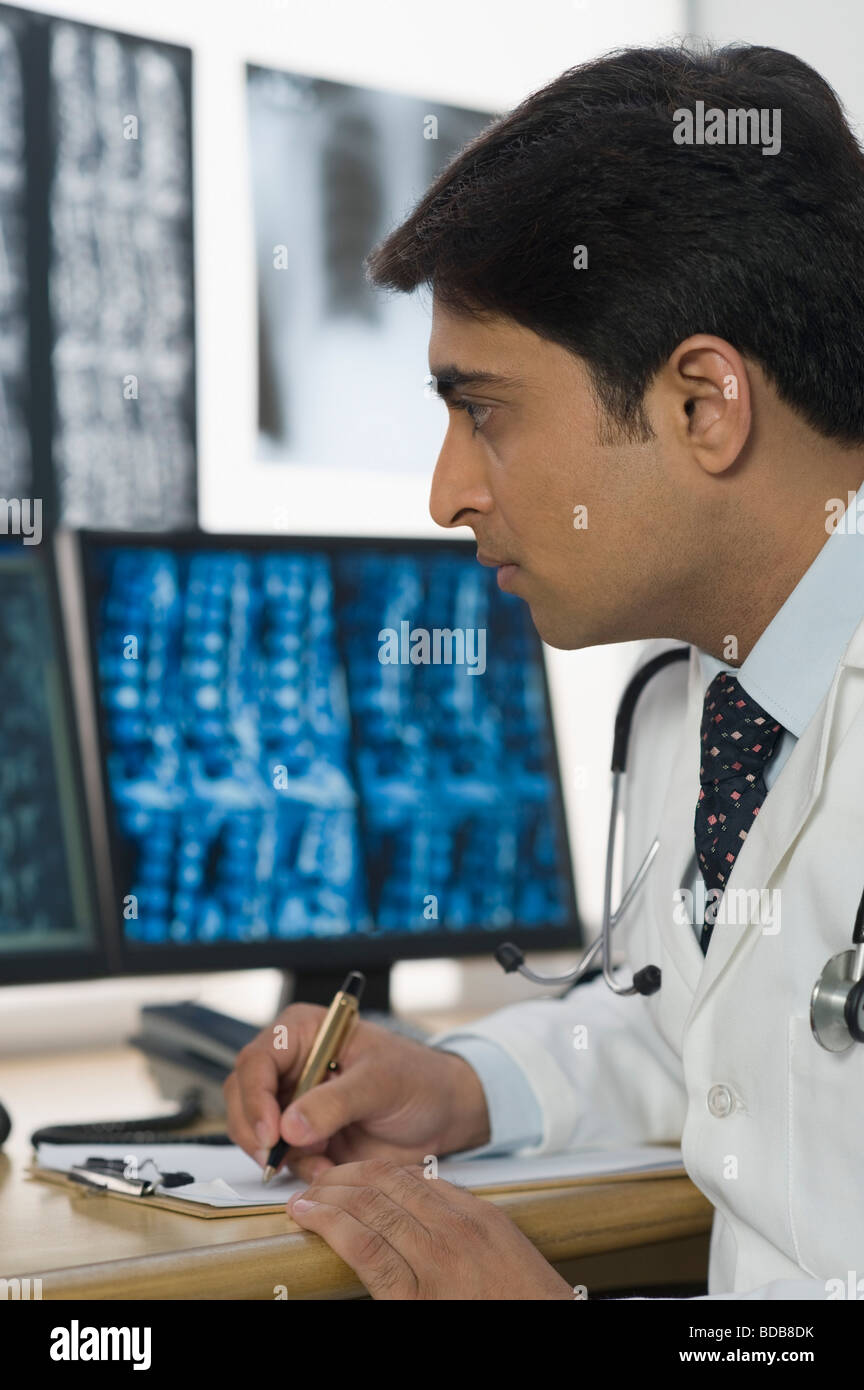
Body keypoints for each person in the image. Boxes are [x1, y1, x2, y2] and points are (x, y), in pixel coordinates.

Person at [225, 42, 864, 1300]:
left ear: (703, 406)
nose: (446, 492)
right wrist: (458, 1085)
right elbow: (708, 1030)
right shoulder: (720, 703)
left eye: (486, 411)